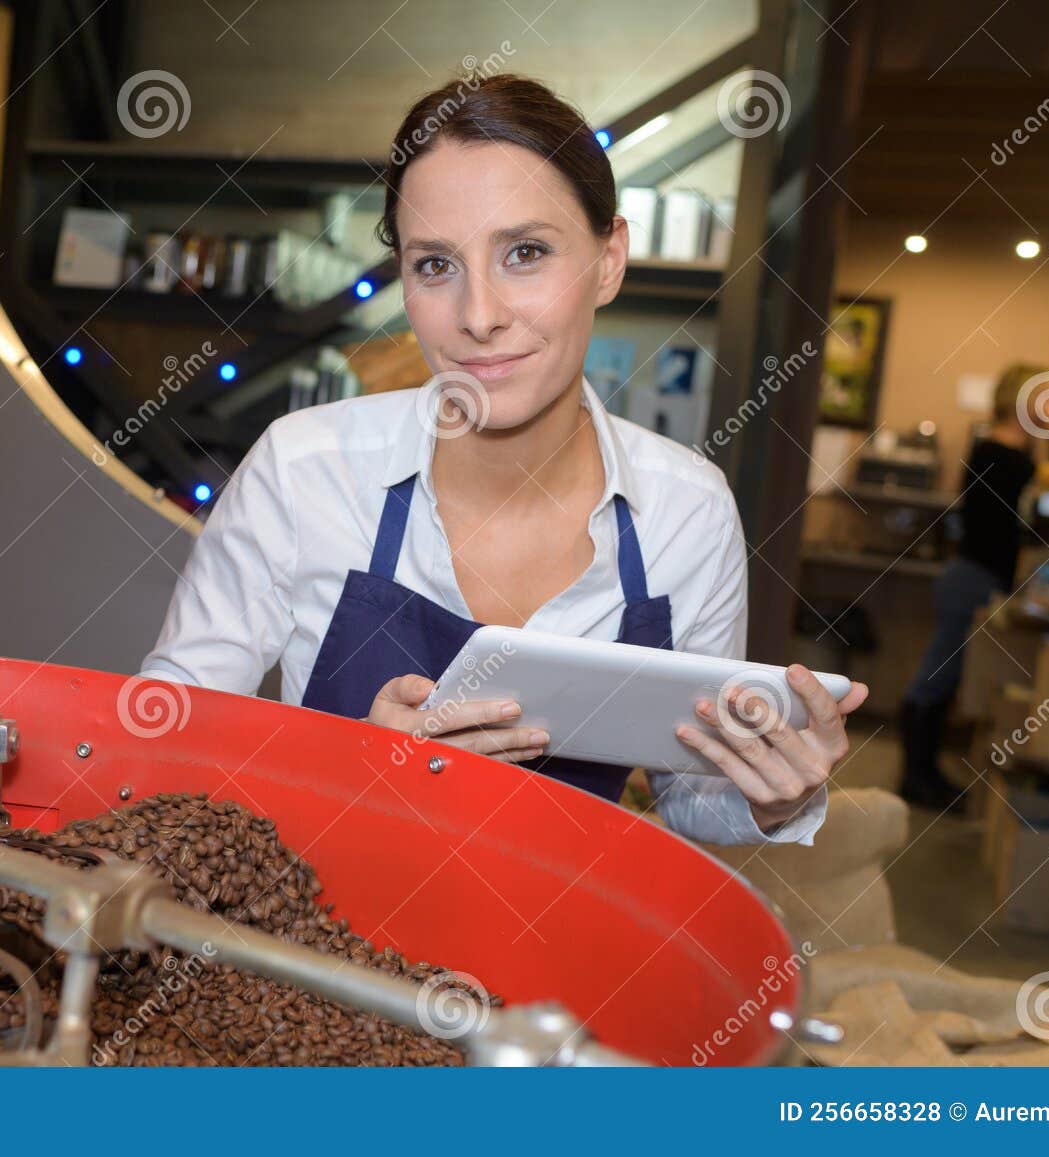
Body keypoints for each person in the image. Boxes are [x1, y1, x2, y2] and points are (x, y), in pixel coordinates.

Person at [141, 74, 868, 846]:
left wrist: (771, 796)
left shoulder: (686, 512)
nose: (478, 316)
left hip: (551, 954)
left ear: (609, 259)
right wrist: (347, 765)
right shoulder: (304, 468)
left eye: (525, 252)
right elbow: (160, 736)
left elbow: (688, 796)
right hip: (313, 955)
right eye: (434, 265)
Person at [899, 364, 1049, 808]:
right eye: (1047, 395)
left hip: (976, 578)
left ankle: (923, 775)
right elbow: (1001, 531)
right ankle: (916, 779)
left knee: (945, 681)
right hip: (972, 580)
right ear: (1020, 400)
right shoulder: (997, 454)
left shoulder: (1020, 455)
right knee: (935, 679)